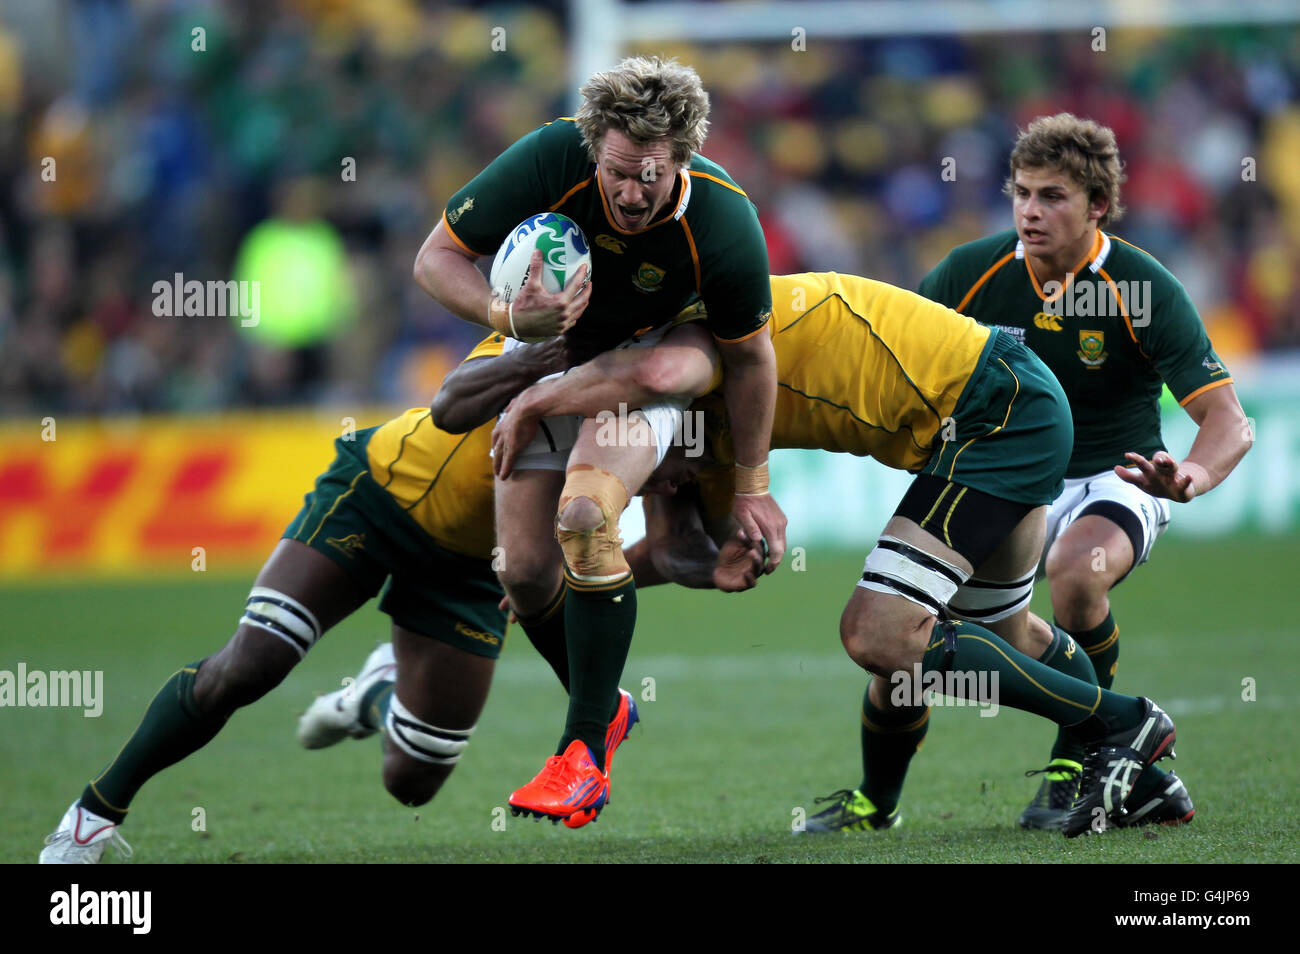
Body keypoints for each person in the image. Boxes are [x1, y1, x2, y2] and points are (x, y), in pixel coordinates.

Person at [460, 271, 1182, 837]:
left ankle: (1123, 723)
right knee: (1005, 634)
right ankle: (1139, 782)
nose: (661, 481)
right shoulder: (694, 427)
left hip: (994, 413)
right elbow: (689, 553)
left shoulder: (692, 352)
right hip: (989, 416)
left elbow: (652, 380)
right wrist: (589, 582)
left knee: (880, 634)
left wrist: (536, 397)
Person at [36, 336, 675, 863]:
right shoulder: (544, 331)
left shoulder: (655, 401)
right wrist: (527, 363)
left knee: (413, 782)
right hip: (380, 496)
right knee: (252, 662)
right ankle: (91, 816)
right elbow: (451, 401)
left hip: (479, 565)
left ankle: (377, 694)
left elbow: (645, 534)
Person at [413, 56, 784, 824]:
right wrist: (506, 318)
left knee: (583, 519)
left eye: (651, 175)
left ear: (683, 157)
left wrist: (753, 486)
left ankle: (581, 752)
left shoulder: (722, 221)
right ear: (595, 152)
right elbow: (434, 259)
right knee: (520, 573)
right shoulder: (552, 158)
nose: (630, 192)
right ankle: (606, 707)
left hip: (638, 374)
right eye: (617, 172)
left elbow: (750, 356)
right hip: (544, 352)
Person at [897, 113, 1250, 831]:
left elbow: (1229, 421)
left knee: (1078, 573)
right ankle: (874, 803)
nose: (1031, 210)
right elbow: (896, 361)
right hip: (1007, 479)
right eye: (1022, 193)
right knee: (902, 634)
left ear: (1097, 206)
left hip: (1116, 476)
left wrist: (1189, 478)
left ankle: (1076, 759)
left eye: (1053, 196)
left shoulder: (1140, 287)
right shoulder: (972, 273)